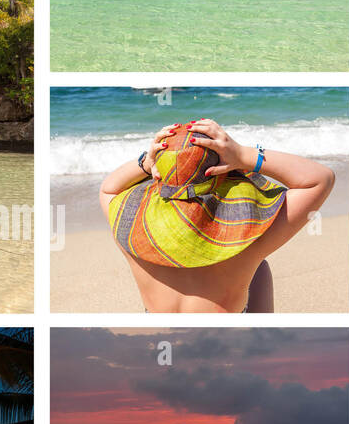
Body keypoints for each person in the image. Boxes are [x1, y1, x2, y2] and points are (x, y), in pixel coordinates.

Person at [98, 118, 335, 313]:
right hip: (225, 344)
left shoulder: (126, 229)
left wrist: (146, 163)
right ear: (222, 173)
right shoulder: (251, 245)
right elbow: (319, 179)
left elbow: (108, 188)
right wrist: (244, 155)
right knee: (259, 268)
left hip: (163, 336)